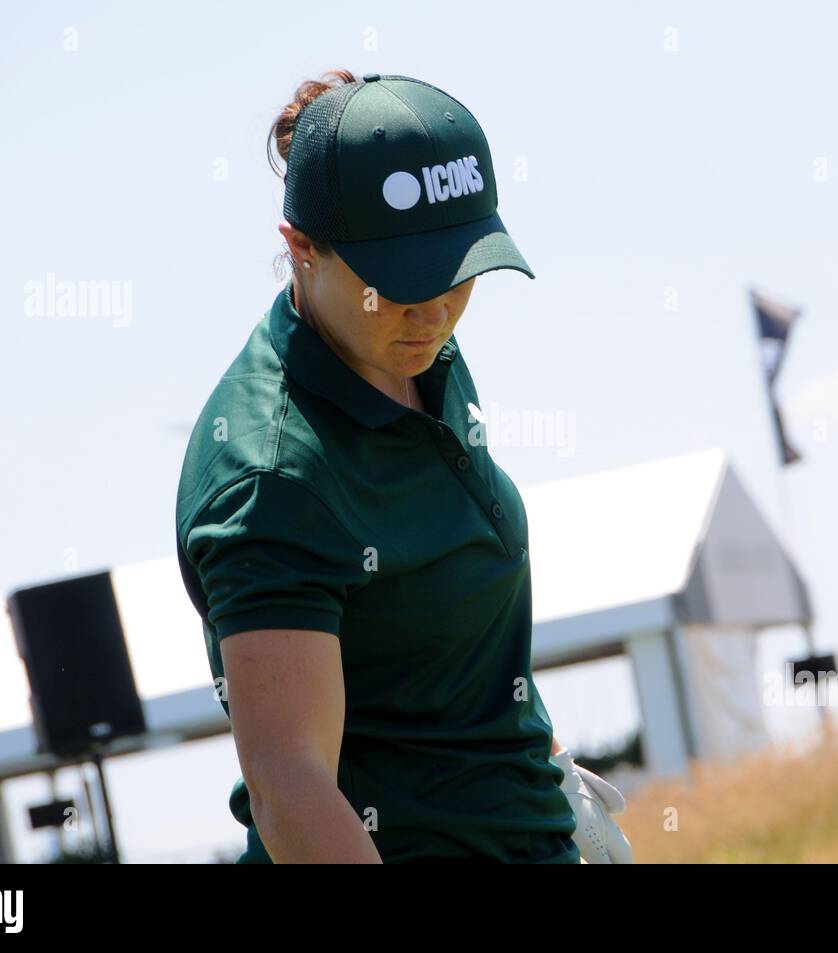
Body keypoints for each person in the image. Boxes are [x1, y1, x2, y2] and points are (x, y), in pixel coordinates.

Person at [174, 69, 632, 863]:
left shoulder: (418, 350)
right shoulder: (271, 477)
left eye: (457, 273)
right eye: (401, 282)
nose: (434, 310)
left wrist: (547, 765)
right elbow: (292, 786)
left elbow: (460, 634)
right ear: (301, 248)